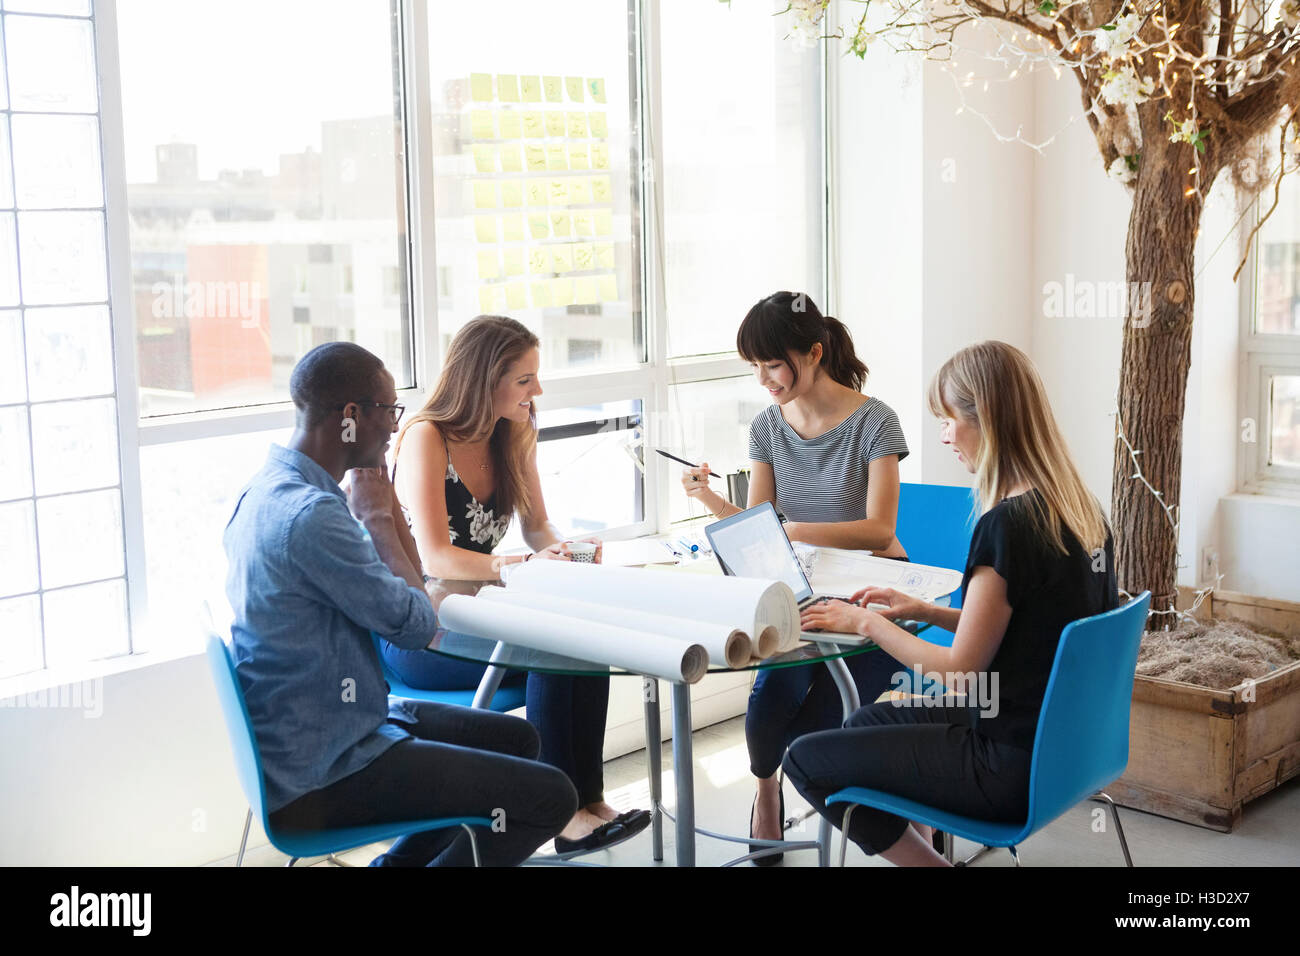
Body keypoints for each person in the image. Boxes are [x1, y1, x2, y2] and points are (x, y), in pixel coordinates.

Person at [223, 341, 576, 866]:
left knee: (520, 740)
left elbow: (414, 603)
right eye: (388, 411)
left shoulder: (265, 489)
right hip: (327, 767)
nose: (394, 427)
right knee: (553, 797)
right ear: (351, 417)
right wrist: (379, 521)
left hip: (328, 727)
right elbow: (415, 627)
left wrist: (384, 516)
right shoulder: (314, 516)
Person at [784, 340, 1119, 866]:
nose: (944, 436)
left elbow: (962, 674)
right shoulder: (1080, 508)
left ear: (986, 419)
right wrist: (925, 611)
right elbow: (1035, 626)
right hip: (1067, 749)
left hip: (1007, 762)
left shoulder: (1007, 526)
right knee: (863, 724)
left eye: (948, 419)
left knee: (804, 761)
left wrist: (866, 623)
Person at [384, 314, 648, 855]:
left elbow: (536, 526)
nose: (538, 390)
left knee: (585, 637)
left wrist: (565, 549)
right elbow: (435, 555)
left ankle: (586, 800)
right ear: (485, 380)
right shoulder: (426, 437)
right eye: (525, 379)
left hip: (490, 614)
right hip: (421, 629)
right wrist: (516, 566)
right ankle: (560, 812)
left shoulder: (516, 430)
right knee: (552, 640)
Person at [679, 291, 911, 863]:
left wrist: (793, 529)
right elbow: (760, 526)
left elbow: (879, 530)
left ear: (813, 353)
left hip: (871, 590)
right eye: (753, 366)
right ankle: (765, 789)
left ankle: (812, 779)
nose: (762, 379)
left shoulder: (874, 419)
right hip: (799, 586)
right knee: (772, 689)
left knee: (826, 714)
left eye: (772, 364)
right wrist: (707, 495)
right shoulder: (766, 427)